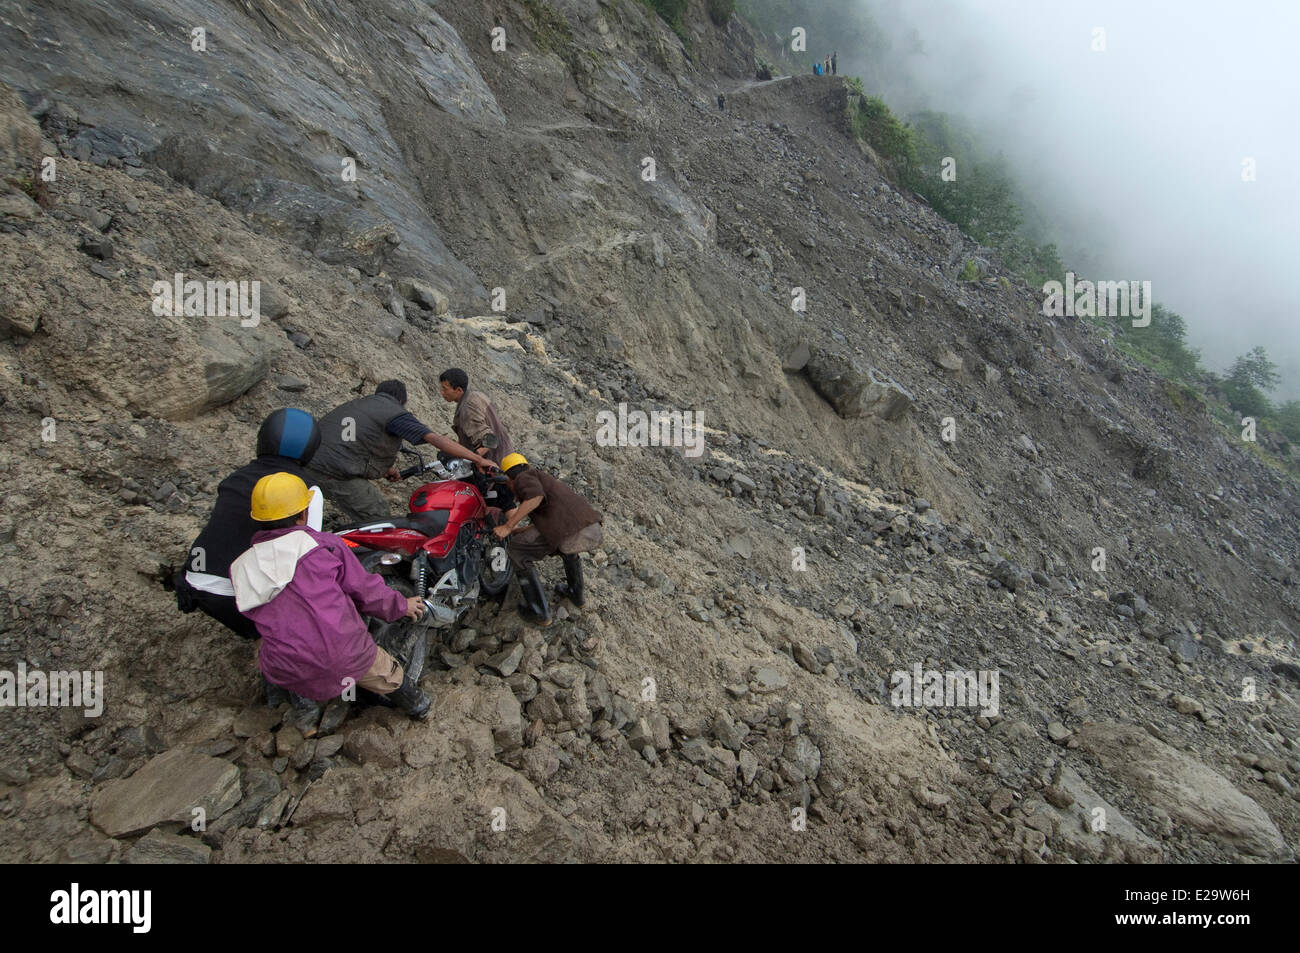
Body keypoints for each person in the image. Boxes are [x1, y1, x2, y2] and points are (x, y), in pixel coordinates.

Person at [229, 473, 432, 719]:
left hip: (287, 666)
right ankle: (418, 706)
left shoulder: (240, 567)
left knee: (269, 654)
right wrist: (401, 605)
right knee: (386, 674)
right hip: (345, 655)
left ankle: (299, 710)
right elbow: (366, 591)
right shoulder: (323, 545)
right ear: (303, 514)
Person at [171, 407, 323, 641]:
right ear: (311, 450)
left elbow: (224, 526)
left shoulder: (236, 477)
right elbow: (309, 552)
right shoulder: (307, 490)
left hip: (193, 582)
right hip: (238, 598)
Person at [305, 380, 494, 525]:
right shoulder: (395, 413)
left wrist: (386, 467)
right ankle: (379, 568)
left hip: (305, 461)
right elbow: (435, 439)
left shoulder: (360, 406)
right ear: (402, 401)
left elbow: (357, 442)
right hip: (331, 470)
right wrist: (477, 458)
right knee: (378, 513)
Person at [492, 453, 603, 625]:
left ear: (509, 477)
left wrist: (507, 527)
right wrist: (520, 529)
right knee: (567, 549)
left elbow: (535, 497)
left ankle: (539, 611)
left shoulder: (523, 477)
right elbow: (551, 519)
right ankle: (576, 594)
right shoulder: (542, 478)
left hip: (568, 531)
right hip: (586, 526)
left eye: (507, 484)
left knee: (516, 550)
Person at [436, 369, 513, 466]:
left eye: (445, 389)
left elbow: (490, 440)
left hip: (494, 464)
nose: (442, 392)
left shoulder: (467, 408)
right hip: (507, 457)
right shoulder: (476, 396)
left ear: (459, 390)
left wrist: (471, 460)